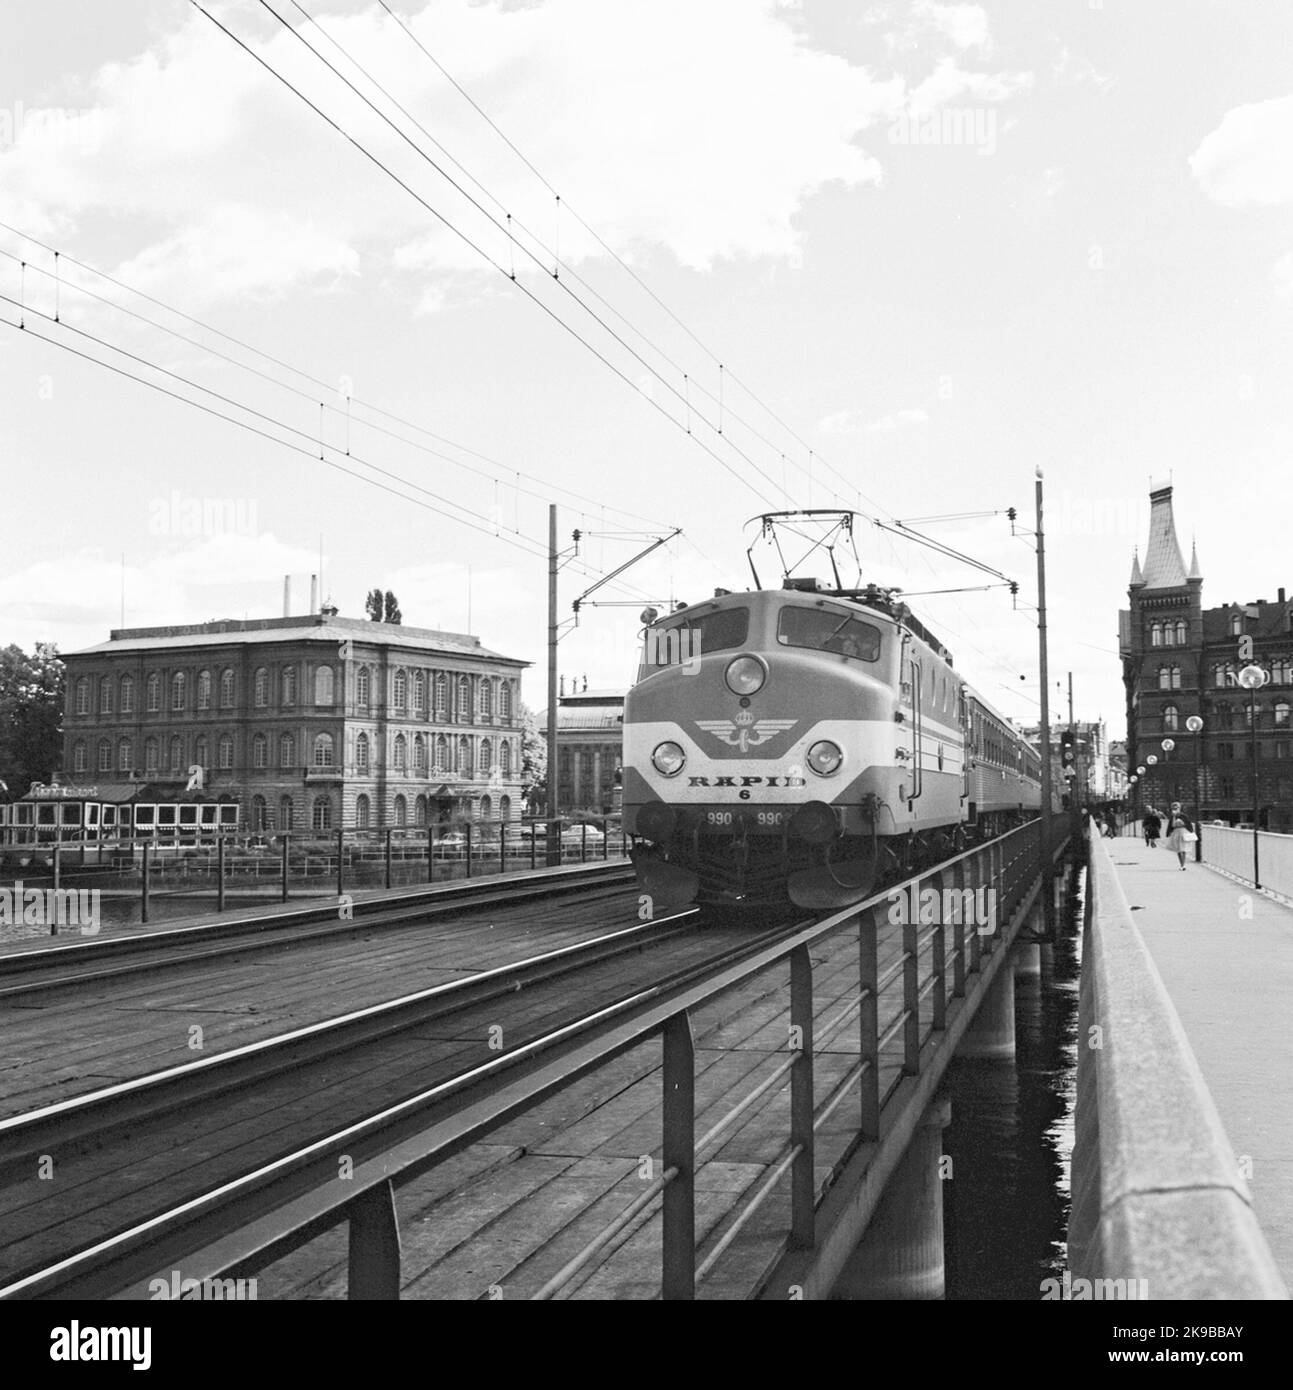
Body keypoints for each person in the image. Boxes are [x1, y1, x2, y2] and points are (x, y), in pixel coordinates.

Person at [1164, 802, 1196, 870]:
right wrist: (1168, 832)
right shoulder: (1172, 817)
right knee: (1178, 849)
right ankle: (1182, 864)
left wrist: (1189, 830)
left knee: (1183, 849)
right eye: (1173, 808)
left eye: (1176, 808)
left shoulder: (1184, 816)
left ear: (1179, 808)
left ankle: (1183, 865)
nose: (1175, 809)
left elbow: (1188, 824)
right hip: (1176, 833)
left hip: (1183, 833)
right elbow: (1171, 825)